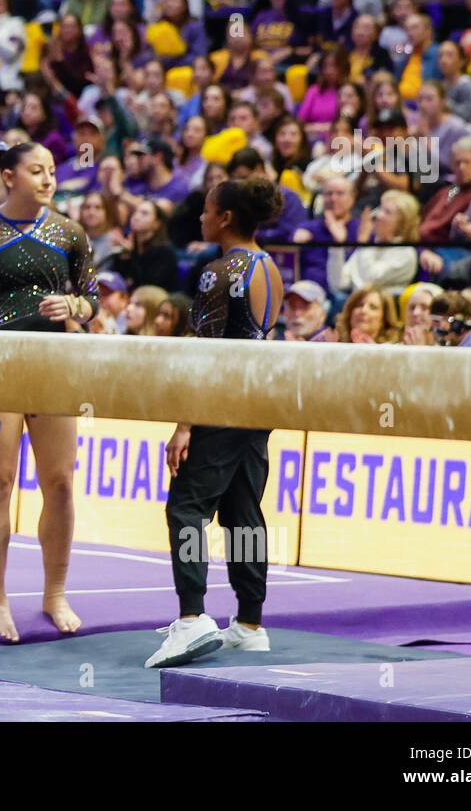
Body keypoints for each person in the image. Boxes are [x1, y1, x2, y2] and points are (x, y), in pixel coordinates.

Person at [0, 141, 99, 642]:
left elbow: (92, 300)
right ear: (9, 176)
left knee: (59, 483)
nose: (49, 179)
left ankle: (55, 593)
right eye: (37, 171)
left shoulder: (71, 233)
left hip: (54, 365)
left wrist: (74, 305)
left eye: (52, 171)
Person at [146, 176, 284, 668]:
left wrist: (184, 423)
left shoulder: (218, 272)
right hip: (258, 402)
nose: (200, 217)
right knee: (244, 512)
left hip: (222, 402)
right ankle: (249, 623)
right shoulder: (269, 267)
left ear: (225, 217)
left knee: (186, 509)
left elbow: (203, 354)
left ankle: (191, 617)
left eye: (206, 209)